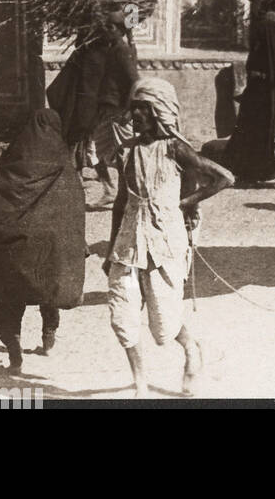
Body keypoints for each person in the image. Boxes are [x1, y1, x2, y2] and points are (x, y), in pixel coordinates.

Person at [106, 77, 234, 397]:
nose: (135, 116)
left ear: (158, 113)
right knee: (122, 317)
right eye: (133, 110)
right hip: (128, 244)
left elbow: (224, 178)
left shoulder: (175, 148)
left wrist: (184, 204)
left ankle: (192, 350)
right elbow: (121, 202)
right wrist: (110, 250)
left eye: (142, 111)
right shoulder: (127, 152)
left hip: (165, 240)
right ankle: (140, 383)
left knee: (164, 324)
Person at [0, 110, 85, 373]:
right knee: (49, 290)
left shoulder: (8, 166)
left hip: (10, 253)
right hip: (48, 253)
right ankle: (48, 340)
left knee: (5, 300)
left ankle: (15, 355)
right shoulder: (66, 172)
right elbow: (74, 217)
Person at [47, 2, 139, 209]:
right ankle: (110, 190)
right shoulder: (111, 48)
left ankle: (123, 191)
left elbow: (134, 82)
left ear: (116, 29)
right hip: (105, 110)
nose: (104, 30)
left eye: (108, 27)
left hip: (115, 112)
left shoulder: (122, 50)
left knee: (120, 154)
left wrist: (128, 110)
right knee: (99, 152)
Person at [223, 11, 275, 186]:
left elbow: (250, 69)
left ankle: (252, 172)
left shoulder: (258, 46)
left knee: (255, 133)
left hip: (257, 98)